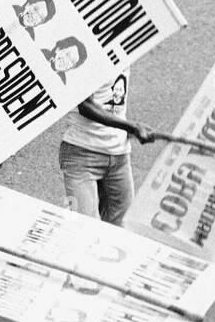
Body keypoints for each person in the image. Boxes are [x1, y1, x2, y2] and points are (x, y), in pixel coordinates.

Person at [59, 71, 157, 226]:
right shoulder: (88, 53)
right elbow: (85, 106)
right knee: (85, 228)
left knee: (122, 229)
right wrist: (131, 127)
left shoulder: (123, 52)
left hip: (119, 156)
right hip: (82, 154)